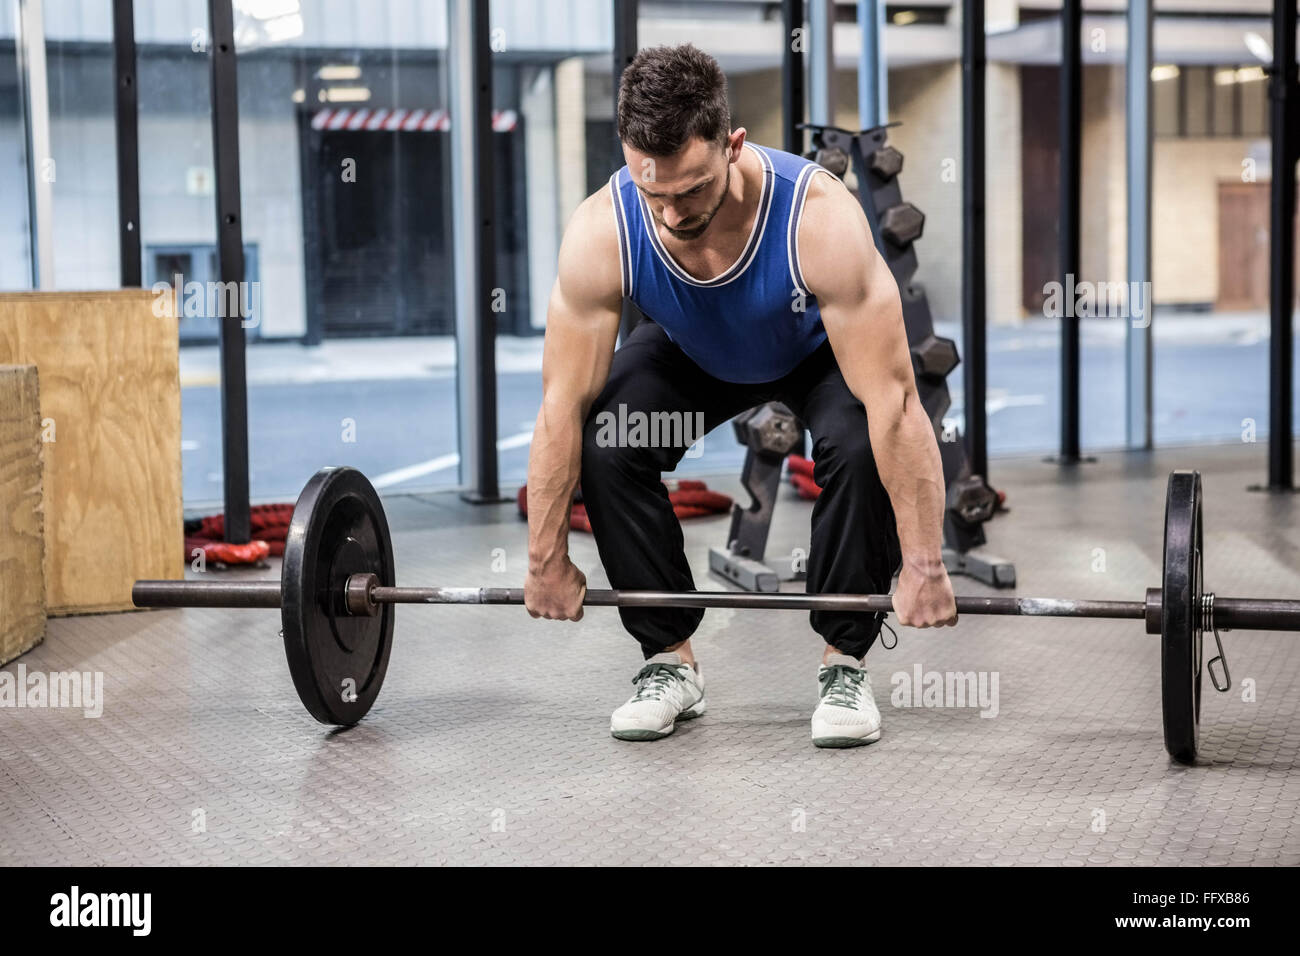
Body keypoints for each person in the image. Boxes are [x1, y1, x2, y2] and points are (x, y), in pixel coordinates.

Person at [523, 43, 957, 748]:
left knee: (856, 440)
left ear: (732, 145)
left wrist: (925, 563)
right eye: (651, 190)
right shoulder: (604, 228)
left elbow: (898, 407)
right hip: (694, 352)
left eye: (690, 190)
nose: (669, 213)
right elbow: (559, 406)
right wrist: (544, 558)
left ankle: (845, 660)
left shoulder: (817, 215)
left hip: (815, 355)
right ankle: (669, 662)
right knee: (610, 438)